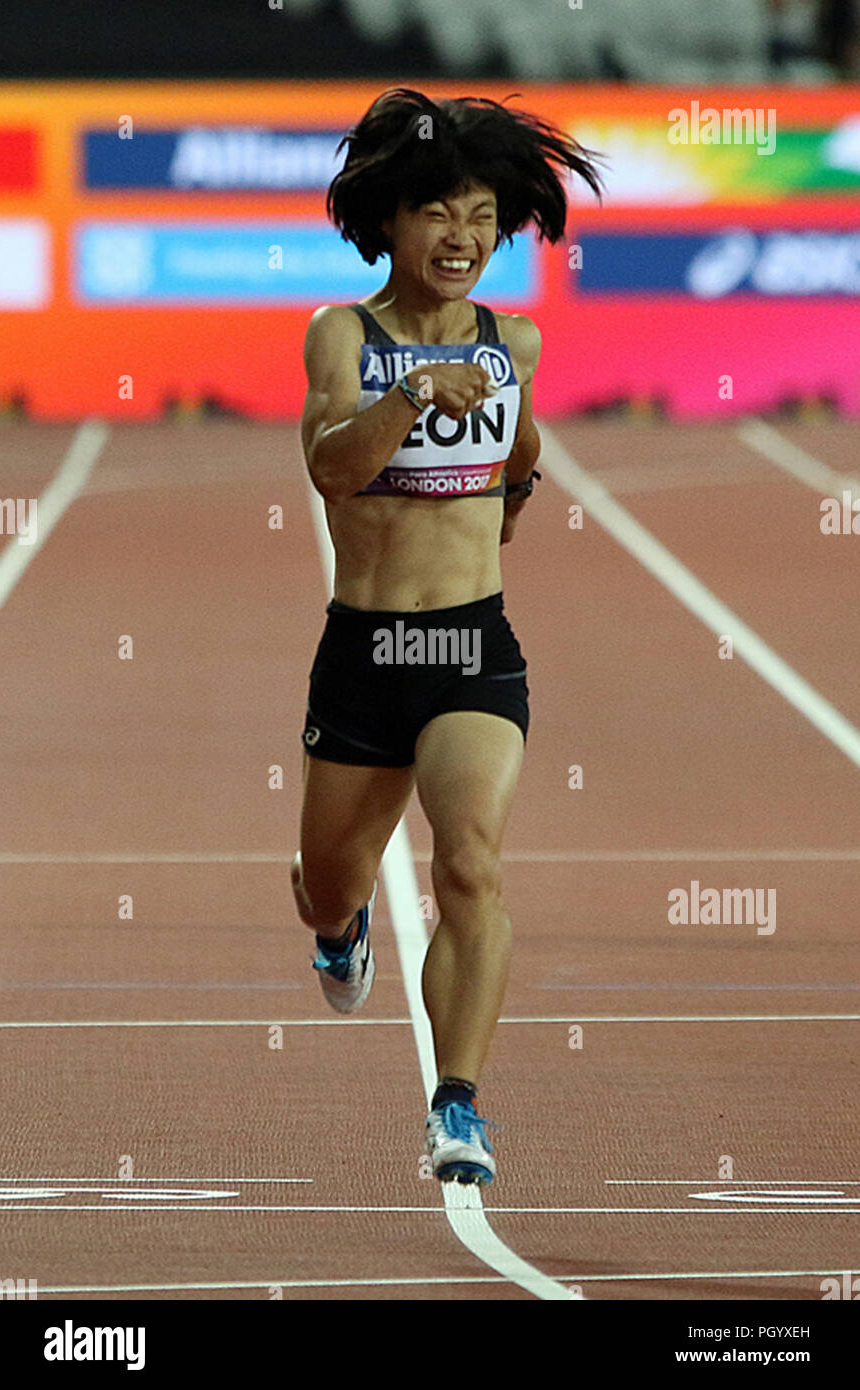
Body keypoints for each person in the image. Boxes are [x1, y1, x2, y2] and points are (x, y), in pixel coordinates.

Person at [291, 87, 601, 1185]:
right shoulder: (344, 334)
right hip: (364, 654)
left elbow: (518, 465)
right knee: (325, 882)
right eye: (436, 214)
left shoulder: (511, 341)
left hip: (470, 649)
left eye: (479, 215)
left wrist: (504, 508)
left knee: (469, 863)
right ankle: (338, 931)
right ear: (389, 221)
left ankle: (457, 1105)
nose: (460, 237)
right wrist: (415, 395)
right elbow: (331, 466)